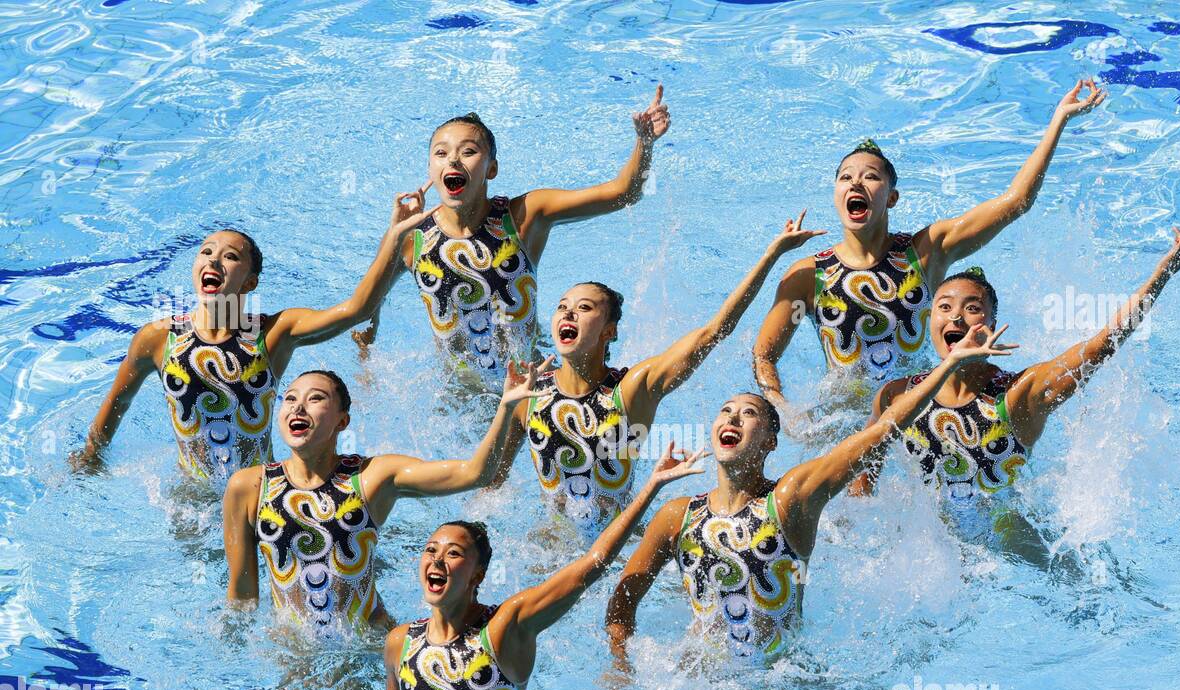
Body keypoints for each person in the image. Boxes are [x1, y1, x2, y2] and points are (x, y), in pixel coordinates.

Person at [604, 326, 1015, 669]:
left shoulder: (789, 500)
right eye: (726, 411)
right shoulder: (678, 516)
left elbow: (879, 432)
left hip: (782, 680)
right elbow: (623, 597)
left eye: (748, 413)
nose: (732, 417)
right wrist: (620, 662)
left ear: (769, 442)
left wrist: (946, 367)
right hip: (702, 677)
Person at [751, 79, 1107, 434]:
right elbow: (764, 355)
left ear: (891, 198)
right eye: (846, 178)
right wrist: (782, 407)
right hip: (844, 424)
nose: (856, 184)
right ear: (835, 194)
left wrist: (1058, 119)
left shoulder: (925, 252)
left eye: (870, 177)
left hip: (915, 414)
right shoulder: (807, 276)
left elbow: (1015, 203)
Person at [487, 212, 825, 543]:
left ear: (609, 332)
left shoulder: (631, 391)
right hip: (551, 546)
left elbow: (712, 333)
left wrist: (771, 255)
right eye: (562, 306)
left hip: (617, 547)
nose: (569, 313)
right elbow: (491, 485)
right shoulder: (528, 395)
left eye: (585, 308)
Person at [70, 193, 435, 489]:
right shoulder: (157, 339)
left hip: (260, 493)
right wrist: (90, 459)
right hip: (190, 497)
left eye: (230, 257)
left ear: (249, 282)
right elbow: (115, 406)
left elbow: (356, 310)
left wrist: (394, 239)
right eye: (206, 252)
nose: (214, 260)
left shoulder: (274, 334)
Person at [379, 442, 708, 690]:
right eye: (430, 551)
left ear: (478, 575)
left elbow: (591, 565)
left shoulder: (505, 627)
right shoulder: (399, 643)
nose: (436, 561)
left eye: (453, 554)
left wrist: (652, 485)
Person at [354, 87, 672, 387]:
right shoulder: (410, 238)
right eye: (441, 153)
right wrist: (366, 360)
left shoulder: (523, 217)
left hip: (531, 380)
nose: (453, 160)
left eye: (468, 152)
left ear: (491, 169)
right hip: (458, 392)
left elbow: (622, 194)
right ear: (430, 167)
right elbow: (364, 308)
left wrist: (644, 143)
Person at [876, 226, 1180, 505]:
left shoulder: (1017, 396)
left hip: (1003, 548)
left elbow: (1100, 347)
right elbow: (860, 477)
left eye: (972, 308)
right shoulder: (897, 395)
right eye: (944, 307)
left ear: (992, 325)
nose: (956, 317)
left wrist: (1161, 276)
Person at [222, 358, 551, 635]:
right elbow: (242, 597)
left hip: (366, 644)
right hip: (291, 646)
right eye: (290, 399)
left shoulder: (370, 478)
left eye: (315, 399)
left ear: (342, 421)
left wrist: (506, 407)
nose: (298, 407)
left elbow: (474, 474)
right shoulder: (248, 487)